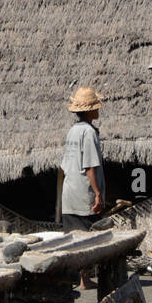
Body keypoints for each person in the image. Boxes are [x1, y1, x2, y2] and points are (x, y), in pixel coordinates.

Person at [60, 86, 105, 233]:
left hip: (69, 198)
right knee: (89, 241)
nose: (98, 110)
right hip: (84, 201)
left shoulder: (72, 131)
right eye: (95, 107)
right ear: (90, 111)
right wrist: (97, 194)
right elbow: (89, 168)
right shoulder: (89, 132)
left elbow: (65, 165)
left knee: (71, 242)